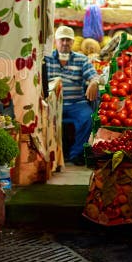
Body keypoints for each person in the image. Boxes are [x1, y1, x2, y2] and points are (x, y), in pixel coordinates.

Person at [45, 25, 102, 165]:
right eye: (62, 40)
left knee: (88, 117)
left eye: (68, 40)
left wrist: (94, 82)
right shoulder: (46, 59)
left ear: (72, 42)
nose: (65, 43)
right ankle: (48, 154)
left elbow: (94, 76)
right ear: (55, 42)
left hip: (76, 103)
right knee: (40, 118)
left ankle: (76, 154)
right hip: (52, 103)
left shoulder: (81, 59)